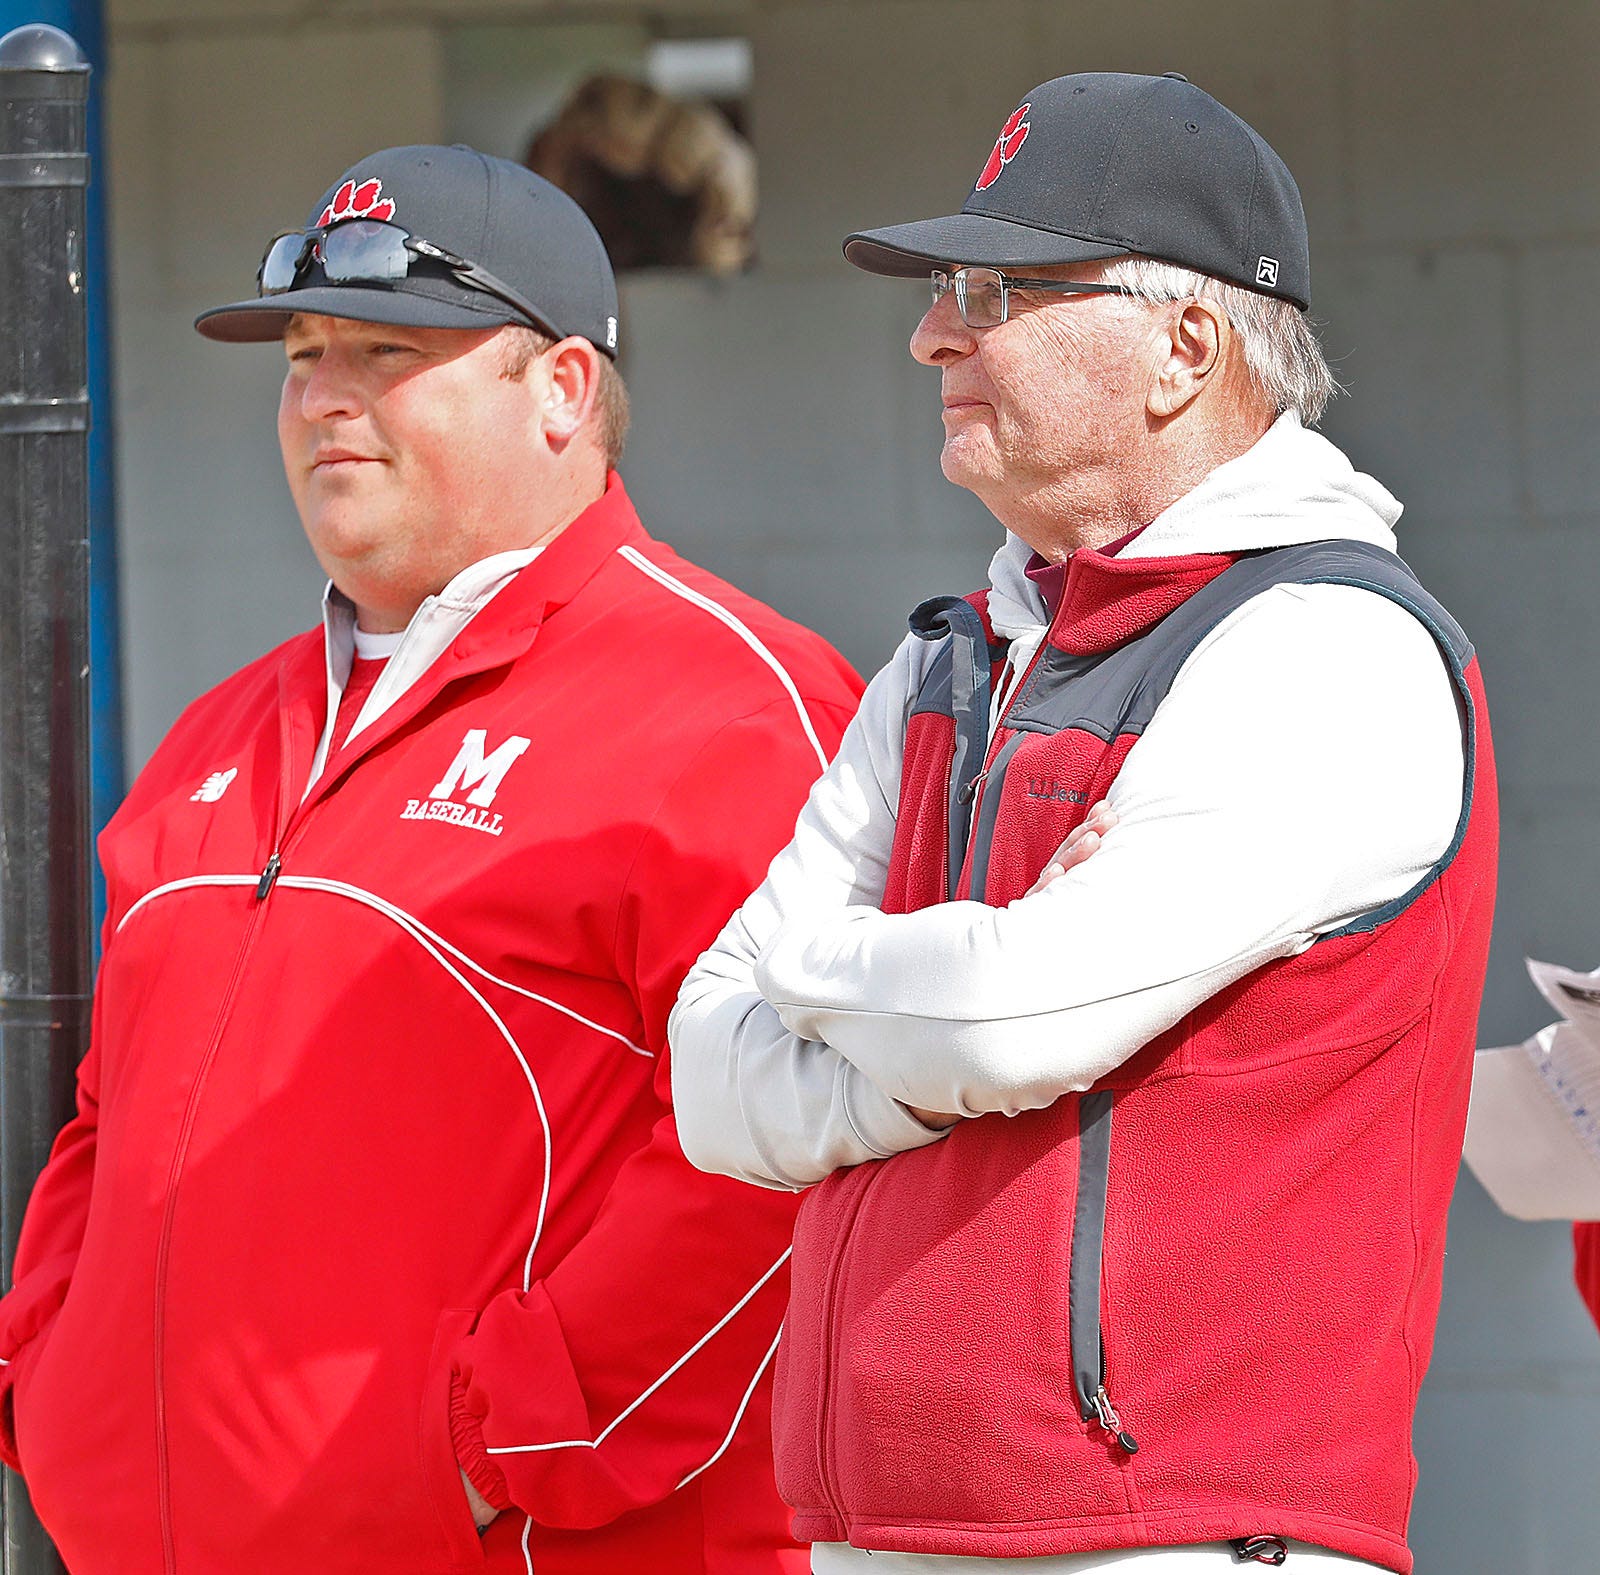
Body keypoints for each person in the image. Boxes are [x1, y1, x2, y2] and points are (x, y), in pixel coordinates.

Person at [672, 72, 1498, 1575]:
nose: (933, 333)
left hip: (1169, 1536)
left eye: (995, 289)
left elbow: (1003, 1028)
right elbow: (711, 1084)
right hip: (882, 1529)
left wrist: (831, 972)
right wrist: (931, 987)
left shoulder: (1327, 642)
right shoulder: (952, 653)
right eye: (941, 290)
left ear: (1187, 345)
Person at [0, 144, 862, 1575]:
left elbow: (790, 1160)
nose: (322, 397)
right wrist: (52, 1381)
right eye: (302, 354)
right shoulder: (223, 728)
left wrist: (493, 1451)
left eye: (388, 351)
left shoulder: (733, 707)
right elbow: (110, 1117)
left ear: (563, 392)